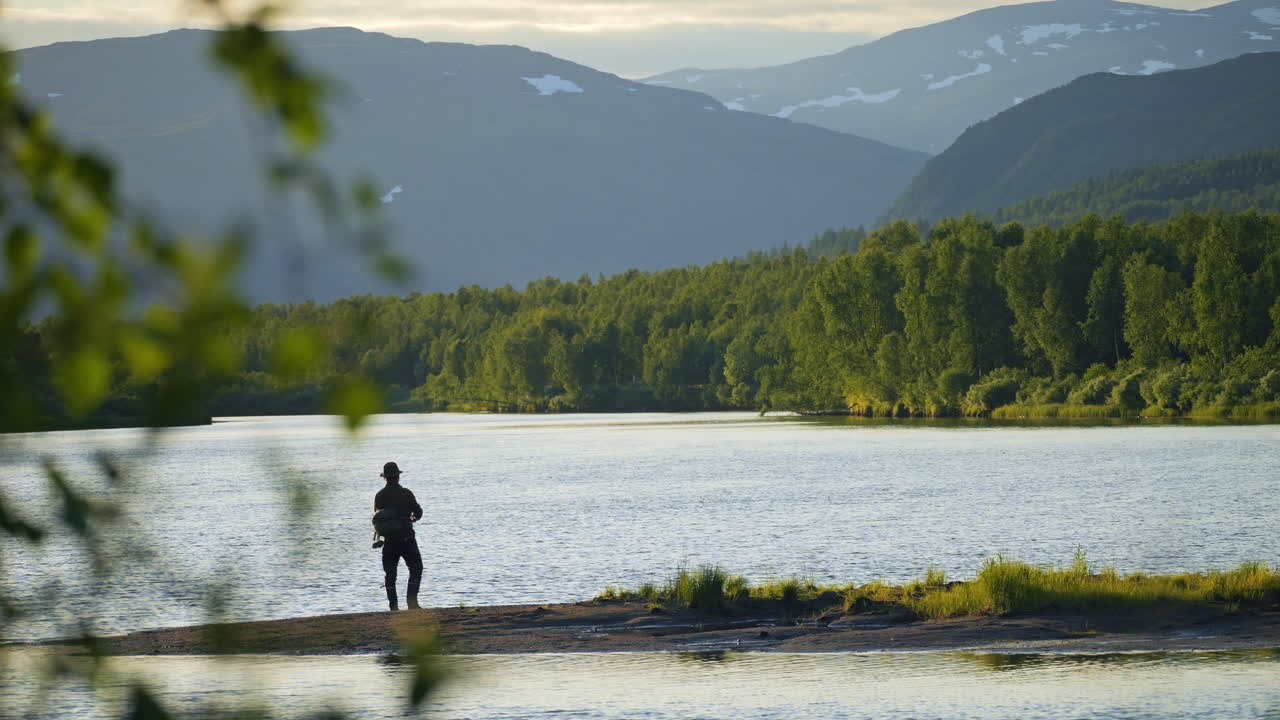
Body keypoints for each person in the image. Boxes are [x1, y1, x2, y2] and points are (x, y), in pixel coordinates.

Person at [373, 461, 423, 611]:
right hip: (407, 538)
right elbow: (418, 512)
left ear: (385, 478)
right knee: (416, 568)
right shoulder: (406, 493)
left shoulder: (380, 496)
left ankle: (393, 607)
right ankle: (412, 603)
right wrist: (413, 517)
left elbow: (377, 517)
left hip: (388, 541)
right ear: (398, 477)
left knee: (390, 574)